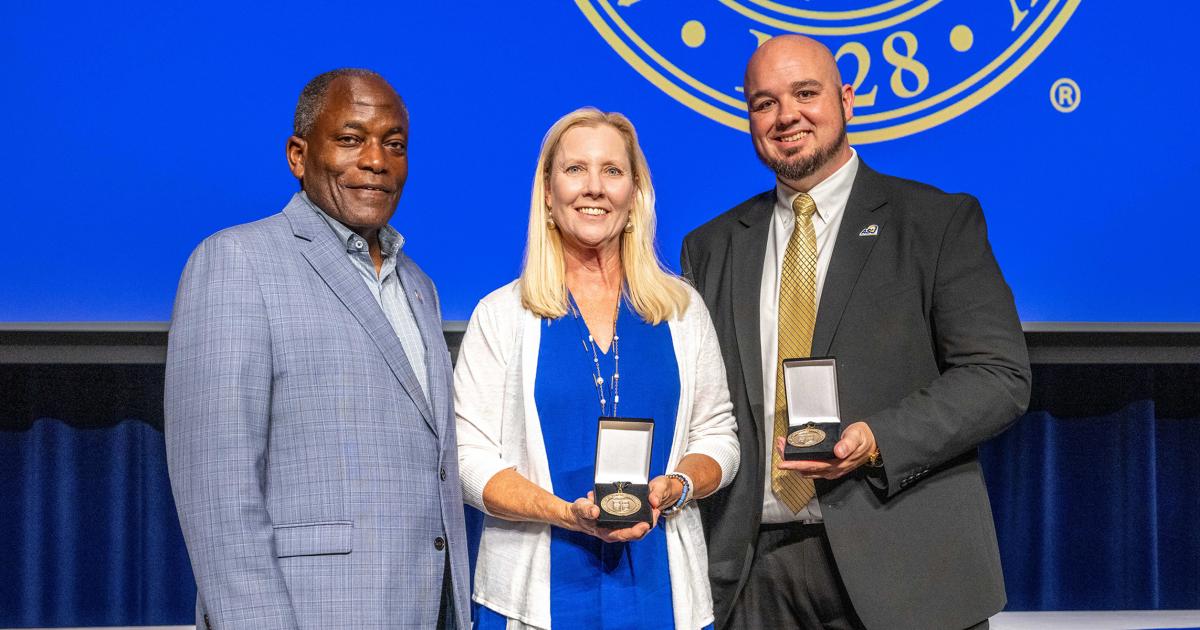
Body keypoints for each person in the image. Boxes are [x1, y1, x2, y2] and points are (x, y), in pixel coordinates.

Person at [681, 35, 1032, 630]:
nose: (785, 114)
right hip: (752, 580)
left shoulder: (936, 223)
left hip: (907, 566)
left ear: (848, 99)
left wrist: (877, 439)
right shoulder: (711, 247)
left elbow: (998, 377)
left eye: (805, 93)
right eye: (764, 102)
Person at [164, 68, 469, 630]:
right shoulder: (236, 262)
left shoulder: (419, 286)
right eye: (351, 139)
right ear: (298, 155)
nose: (376, 160)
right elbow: (218, 496)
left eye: (394, 144)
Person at [454, 107, 740, 630]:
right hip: (533, 600)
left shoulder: (682, 311)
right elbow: (469, 463)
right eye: (574, 170)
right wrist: (566, 513)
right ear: (547, 191)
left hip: (664, 596)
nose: (594, 188)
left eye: (612, 170)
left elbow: (719, 437)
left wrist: (675, 486)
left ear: (635, 193)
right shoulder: (500, 316)